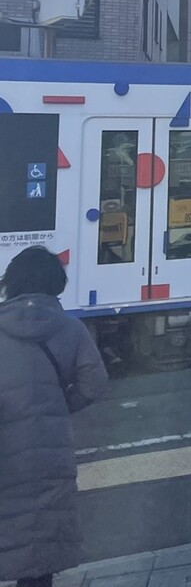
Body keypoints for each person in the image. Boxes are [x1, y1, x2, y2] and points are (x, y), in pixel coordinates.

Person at [0, 247, 109, 587]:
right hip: (47, 454)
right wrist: (59, 405)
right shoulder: (70, 329)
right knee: (38, 544)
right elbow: (95, 384)